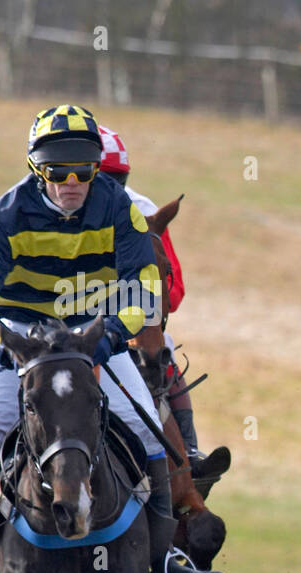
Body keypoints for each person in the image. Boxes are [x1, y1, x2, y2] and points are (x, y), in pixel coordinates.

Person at [0, 104, 223, 573]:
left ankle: (164, 565)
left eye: (83, 169)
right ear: (37, 169)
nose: (72, 181)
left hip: (93, 329)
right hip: (24, 333)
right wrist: (3, 345)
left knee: (147, 432)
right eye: (58, 170)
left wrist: (111, 336)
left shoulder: (119, 209)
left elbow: (144, 286)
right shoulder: (5, 214)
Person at [96, 124, 229, 482]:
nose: (111, 190)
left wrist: (141, 308)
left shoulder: (144, 210)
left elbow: (175, 290)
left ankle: (189, 453)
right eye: (101, 179)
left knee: (162, 350)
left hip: (130, 326)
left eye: (116, 179)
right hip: (59, 324)